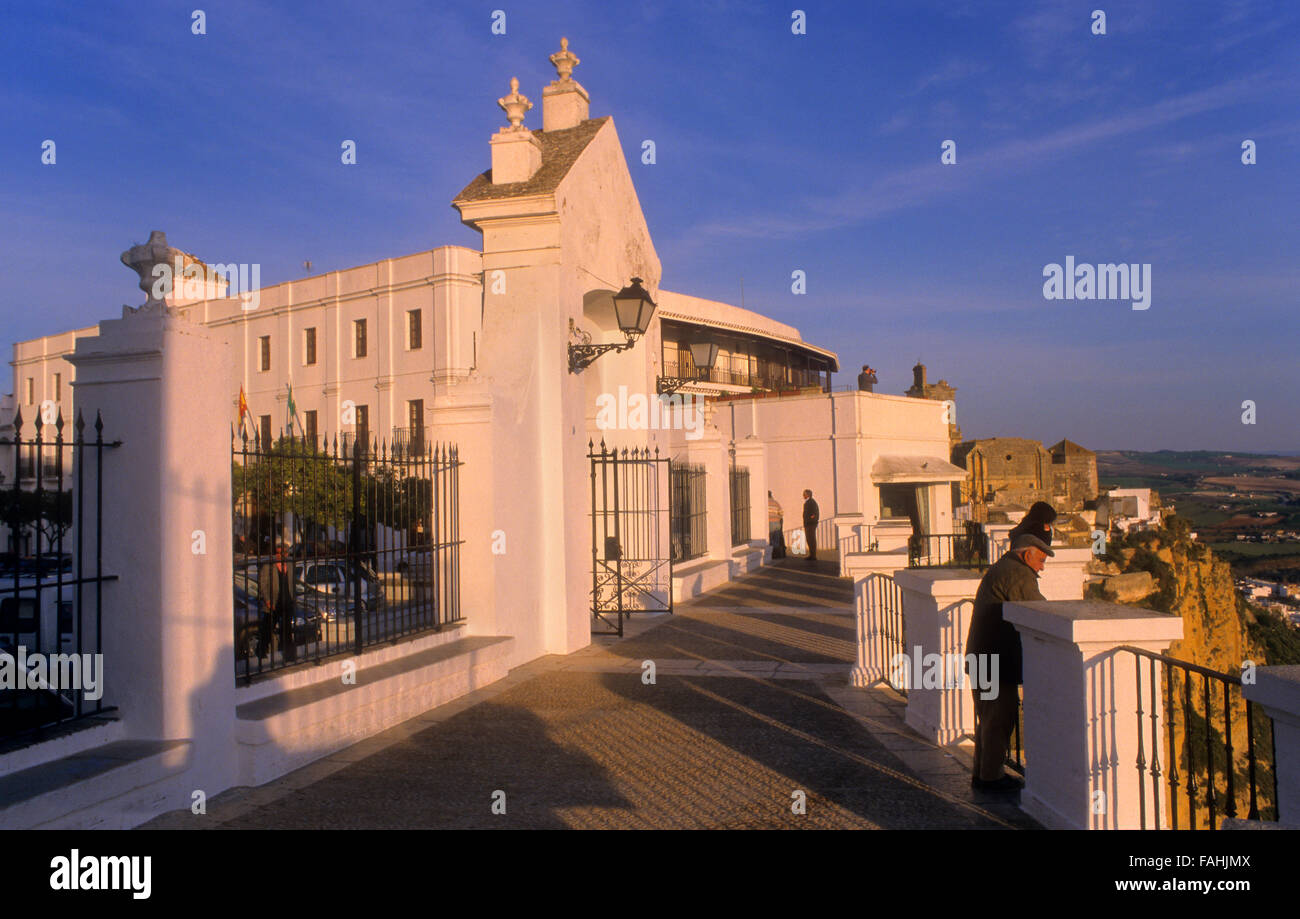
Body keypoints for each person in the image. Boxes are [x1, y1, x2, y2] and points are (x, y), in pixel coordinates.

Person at [964, 532, 1053, 791]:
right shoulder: (1018, 574)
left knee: (989, 717)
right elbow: (1040, 610)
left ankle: (983, 773)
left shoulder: (1002, 567)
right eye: (1040, 560)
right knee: (999, 718)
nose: (1042, 566)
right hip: (994, 661)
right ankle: (990, 779)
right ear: (1027, 555)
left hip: (983, 657)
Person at [257, 543, 298, 663]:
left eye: (284, 553)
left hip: (287, 600)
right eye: (279, 553)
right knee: (268, 627)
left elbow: (292, 582)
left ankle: (289, 655)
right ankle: (261, 651)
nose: (282, 555)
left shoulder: (290, 564)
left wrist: (293, 598)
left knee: (287, 629)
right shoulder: (268, 566)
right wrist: (267, 600)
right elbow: (263, 584)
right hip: (274, 601)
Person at [802, 489, 820, 568]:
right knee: (809, 539)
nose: (803, 495)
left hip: (810, 524)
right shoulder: (809, 502)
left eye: (804, 494)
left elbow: (815, 513)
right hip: (808, 524)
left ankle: (813, 555)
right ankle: (811, 554)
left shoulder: (812, 502)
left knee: (811, 539)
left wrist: (810, 520)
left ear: (808, 495)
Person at [768, 491, 786, 559]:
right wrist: (778, 518)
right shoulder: (776, 502)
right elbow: (781, 513)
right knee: (776, 540)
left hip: (770, 523)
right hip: (777, 523)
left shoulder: (765, 503)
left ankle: (772, 555)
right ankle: (777, 555)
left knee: (770, 540)